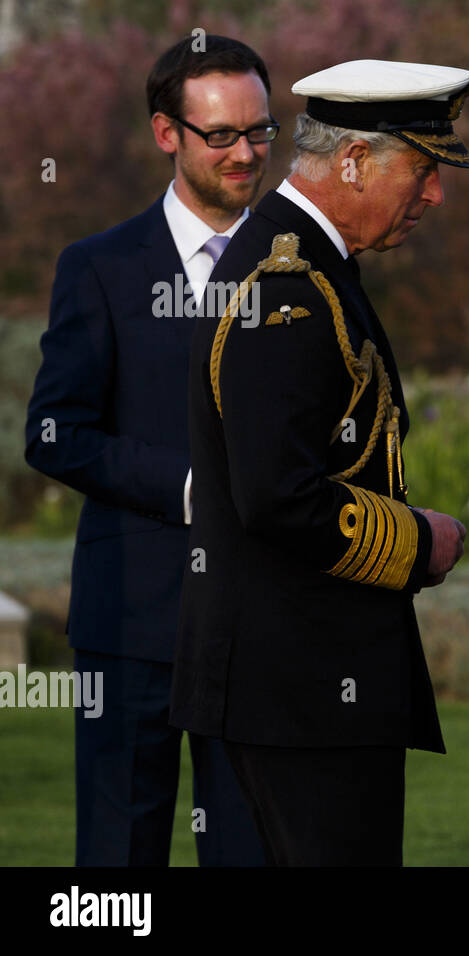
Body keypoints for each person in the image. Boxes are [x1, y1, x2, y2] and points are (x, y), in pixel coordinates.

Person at [169, 59, 469, 866]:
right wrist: (417, 540)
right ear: (353, 161)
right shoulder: (289, 280)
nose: (434, 195)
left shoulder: (307, 260)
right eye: (422, 168)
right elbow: (275, 496)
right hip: (302, 684)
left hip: (302, 680)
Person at [24, 35, 273, 866]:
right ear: (167, 134)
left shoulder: (304, 269)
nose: (246, 154)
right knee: (116, 864)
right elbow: (55, 435)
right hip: (129, 623)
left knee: (250, 852)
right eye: (223, 136)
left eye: (260, 132)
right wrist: (191, 488)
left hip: (262, 624)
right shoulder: (97, 267)